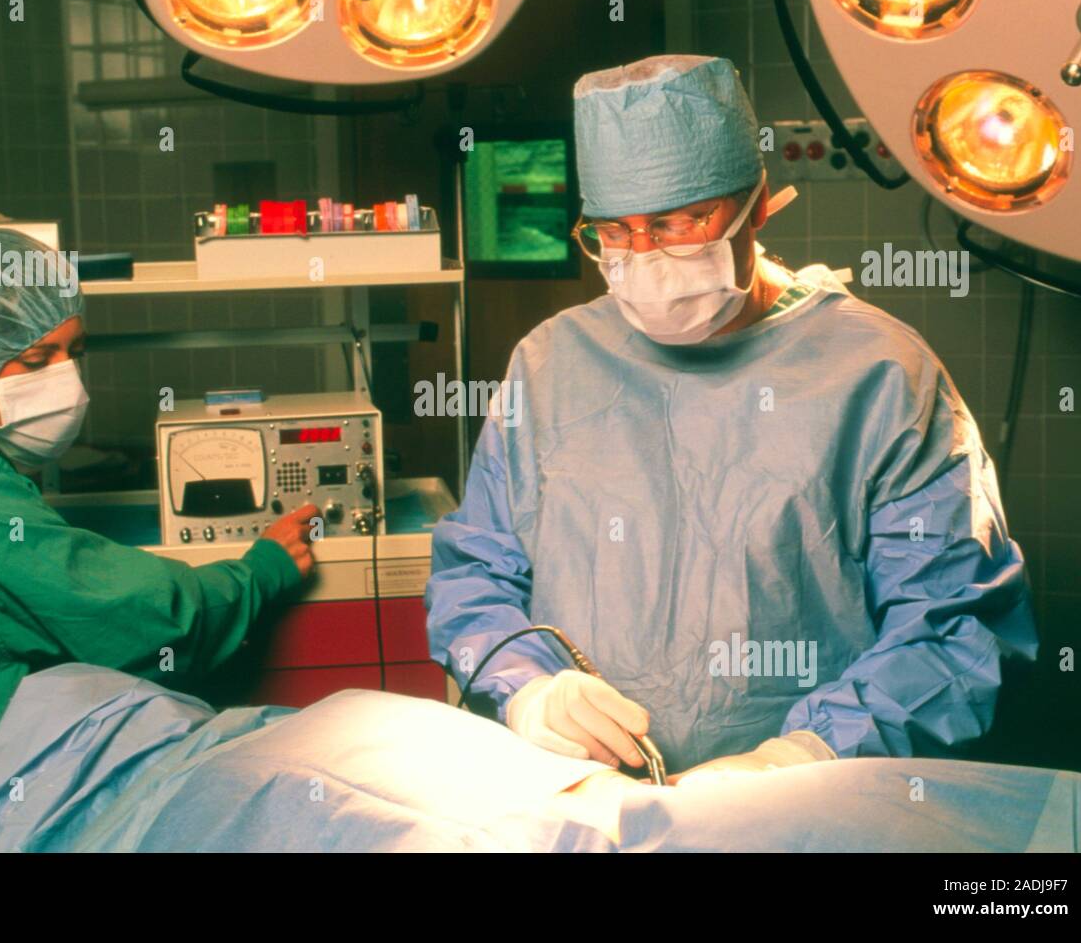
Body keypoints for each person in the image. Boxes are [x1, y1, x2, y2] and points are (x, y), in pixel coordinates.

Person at [426, 55, 1037, 779]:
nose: (645, 257)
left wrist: (801, 756)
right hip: (589, 800)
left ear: (758, 202)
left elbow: (953, 626)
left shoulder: (880, 376)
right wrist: (530, 687)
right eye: (614, 233)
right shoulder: (551, 364)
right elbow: (475, 573)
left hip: (809, 812)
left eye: (680, 221)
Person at [0, 229, 318, 851]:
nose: (65, 380)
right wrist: (263, 568)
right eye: (34, 361)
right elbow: (155, 619)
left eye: (73, 351)